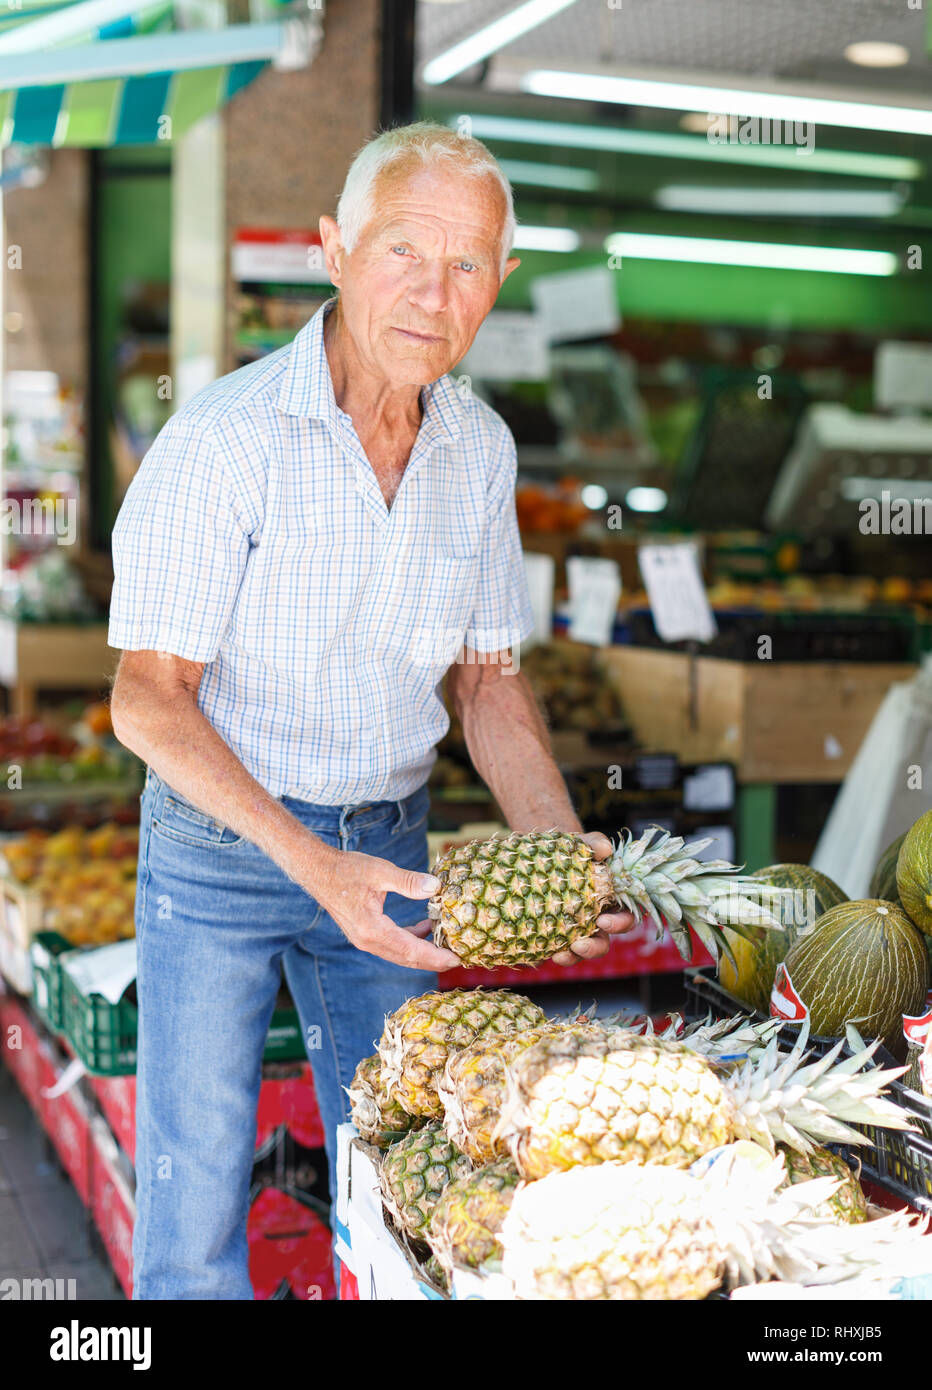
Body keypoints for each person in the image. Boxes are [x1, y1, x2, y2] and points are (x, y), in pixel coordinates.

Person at [108, 120, 635, 1300]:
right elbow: (147, 702)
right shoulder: (224, 442)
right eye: (403, 250)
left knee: (408, 1175)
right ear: (333, 250)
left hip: (391, 850)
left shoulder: (481, 452)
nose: (431, 292)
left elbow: (486, 678)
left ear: (500, 283)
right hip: (219, 853)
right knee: (193, 1201)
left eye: (466, 264)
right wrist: (309, 865)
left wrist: (558, 849)